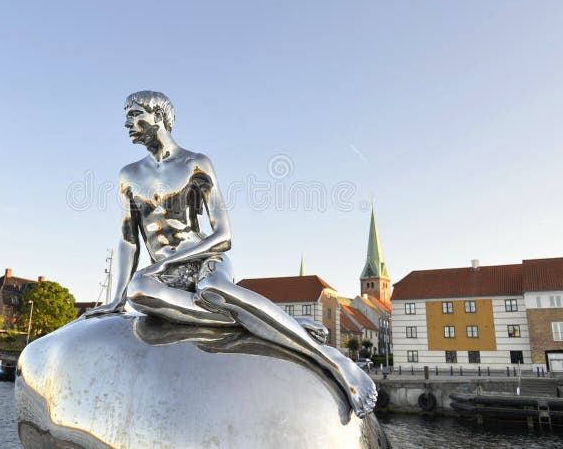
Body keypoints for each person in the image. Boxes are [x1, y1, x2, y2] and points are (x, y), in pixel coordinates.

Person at [86, 90, 376, 418]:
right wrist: (115, 300)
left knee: (213, 290)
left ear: (158, 117)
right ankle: (280, 323)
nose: (126, 123)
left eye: (133, 114)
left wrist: (166, 261)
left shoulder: (195, 163)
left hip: (206, 260)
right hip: (165, 276)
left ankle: (334, 360)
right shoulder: (128, 175)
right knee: (138, 292)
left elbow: (223, 235)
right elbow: (128, 240)